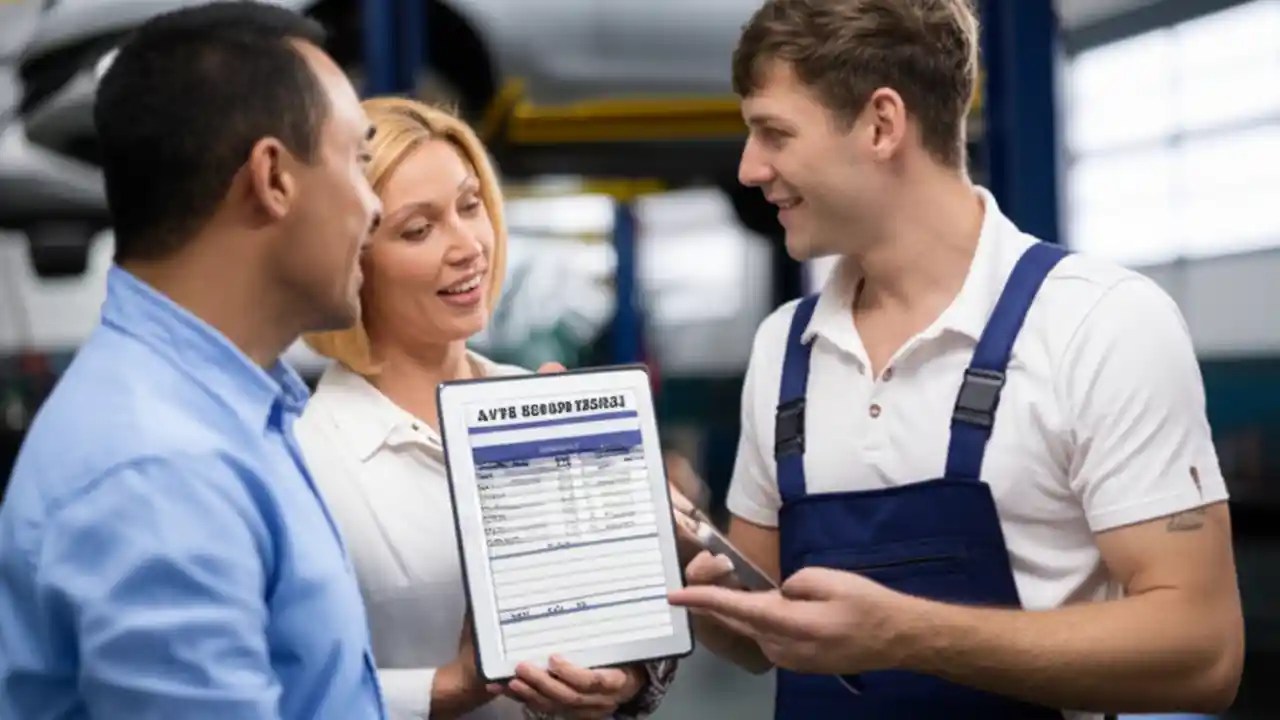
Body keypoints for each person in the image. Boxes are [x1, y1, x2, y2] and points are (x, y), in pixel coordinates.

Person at [665, 1, 1245, 719]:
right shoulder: (785, 345)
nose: (750, 168)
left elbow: (1202, 651)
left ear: (881, 125)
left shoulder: (1100, 322)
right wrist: (663, 543)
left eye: (773, 133)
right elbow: (758, 639)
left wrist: (905, 634)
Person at [0, 3, 387, 718]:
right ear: (272, 177)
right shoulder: (161, 471)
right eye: (359, 160)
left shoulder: (223, 417)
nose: (376, 208)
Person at [293, 96, 676, 720]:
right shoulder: (306, 458)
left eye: (470, 206)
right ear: (349, 266)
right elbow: (279, 691)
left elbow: (624, 627)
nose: (469, 244)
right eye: (420, 229)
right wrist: (448, 688)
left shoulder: (549, 403)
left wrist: (628, 677)